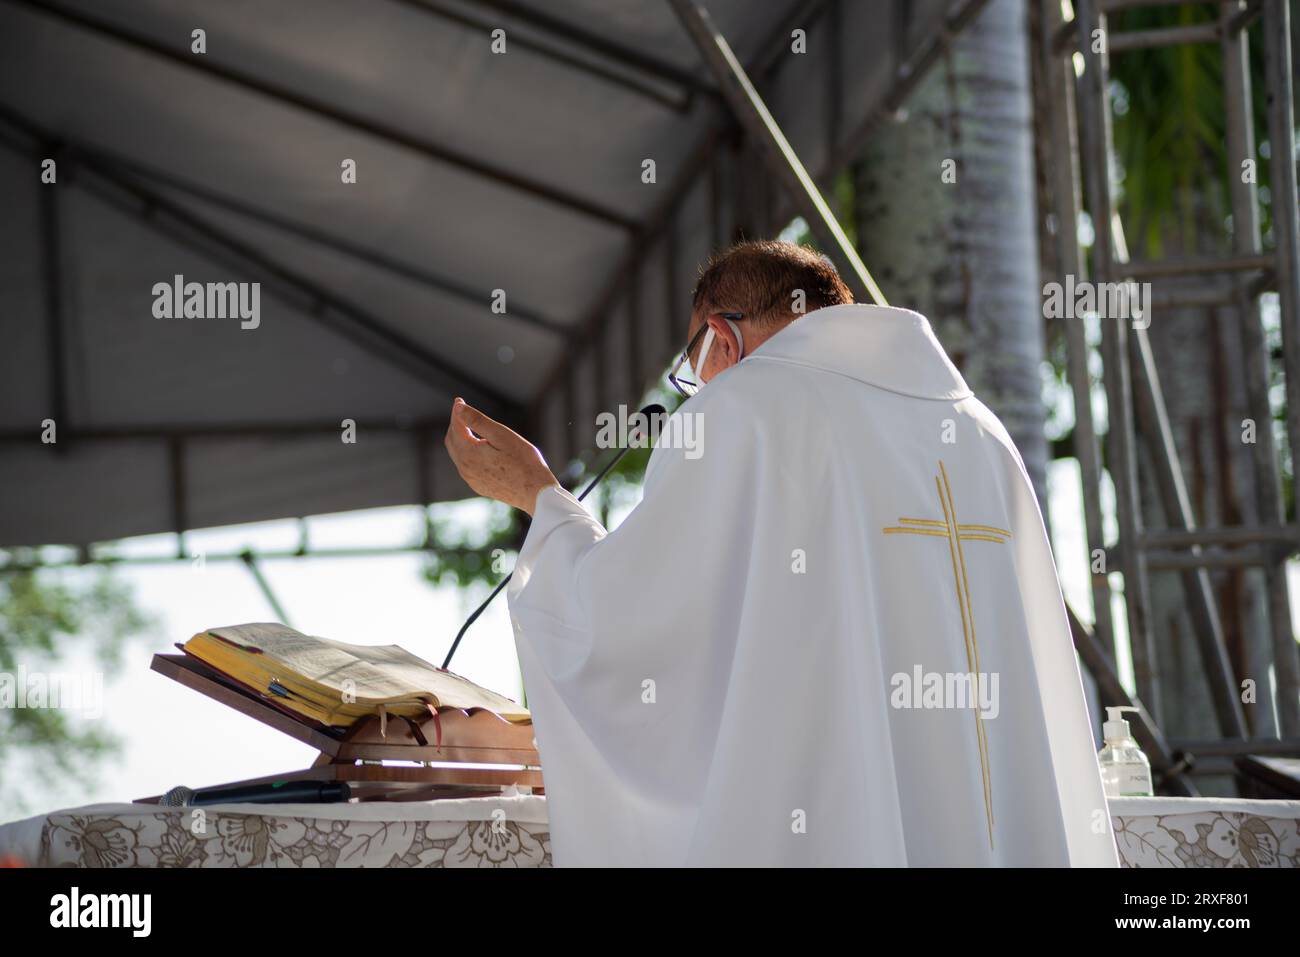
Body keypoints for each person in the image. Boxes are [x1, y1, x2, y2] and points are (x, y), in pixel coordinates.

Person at [444, 240, 1118, 867]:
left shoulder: (744, 410)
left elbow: (630, 630)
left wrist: (540, 496)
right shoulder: (983, 436)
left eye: (692, 374)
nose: (697, 393)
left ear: (720, 337)